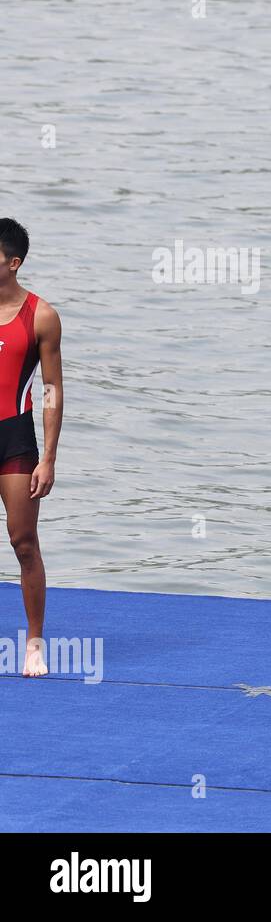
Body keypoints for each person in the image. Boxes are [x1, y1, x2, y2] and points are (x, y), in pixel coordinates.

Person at [0, 218, 64, 678]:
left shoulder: (41, 315)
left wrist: (49, 457)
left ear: (13, 263)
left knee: (24, 542)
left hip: (14, 438)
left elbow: (52, 389)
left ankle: (34, 644)